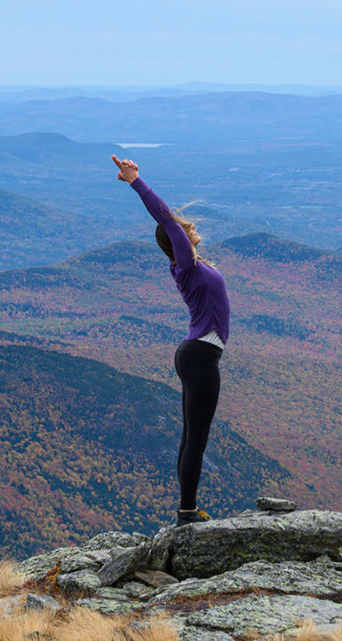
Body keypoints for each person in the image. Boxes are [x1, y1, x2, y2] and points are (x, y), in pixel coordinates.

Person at [113, 155, 231, 525]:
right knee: (197, 436)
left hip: (196, 354)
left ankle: (187, 509)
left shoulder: (193, 266)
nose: (190, 226)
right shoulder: (185, 264)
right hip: (200, 356)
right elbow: (165, 217)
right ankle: (187, 512)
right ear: (175, 240)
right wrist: (136, 181)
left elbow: (172, 223)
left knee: (190, 434)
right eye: (184, 227)